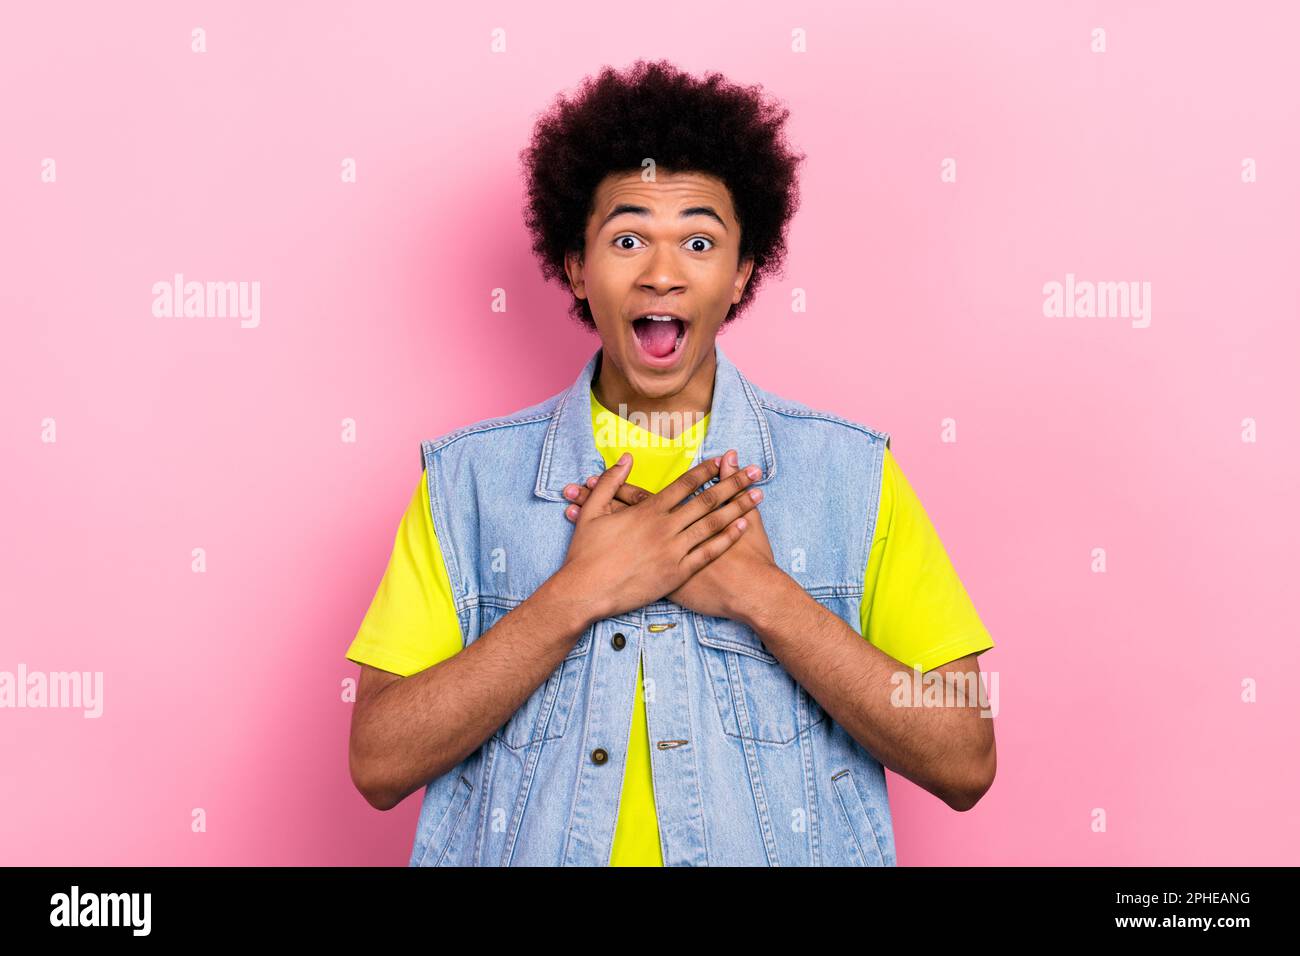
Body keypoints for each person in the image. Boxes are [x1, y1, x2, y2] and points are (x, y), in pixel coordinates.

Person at [345, 59, 996, 866]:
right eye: (626, 240)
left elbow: (965, 756)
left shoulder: (849, 476)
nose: (661, 272)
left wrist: (763, 596)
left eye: (698, 240)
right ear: (578, 267)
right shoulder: (469, 482)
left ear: (742, 273)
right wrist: (577, 594)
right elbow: (377, 760)